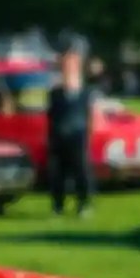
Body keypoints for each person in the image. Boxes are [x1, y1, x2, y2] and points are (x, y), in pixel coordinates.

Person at [46, 42, 95, 218]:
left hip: (78, 135)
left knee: (81, 170)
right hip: (59, 136)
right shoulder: (55, 92)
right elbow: (50, 115)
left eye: (71, 64)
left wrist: (89, 132)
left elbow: (90, 114)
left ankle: (84, 204)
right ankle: (57, 206)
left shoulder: (84, 91)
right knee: (58, 172)